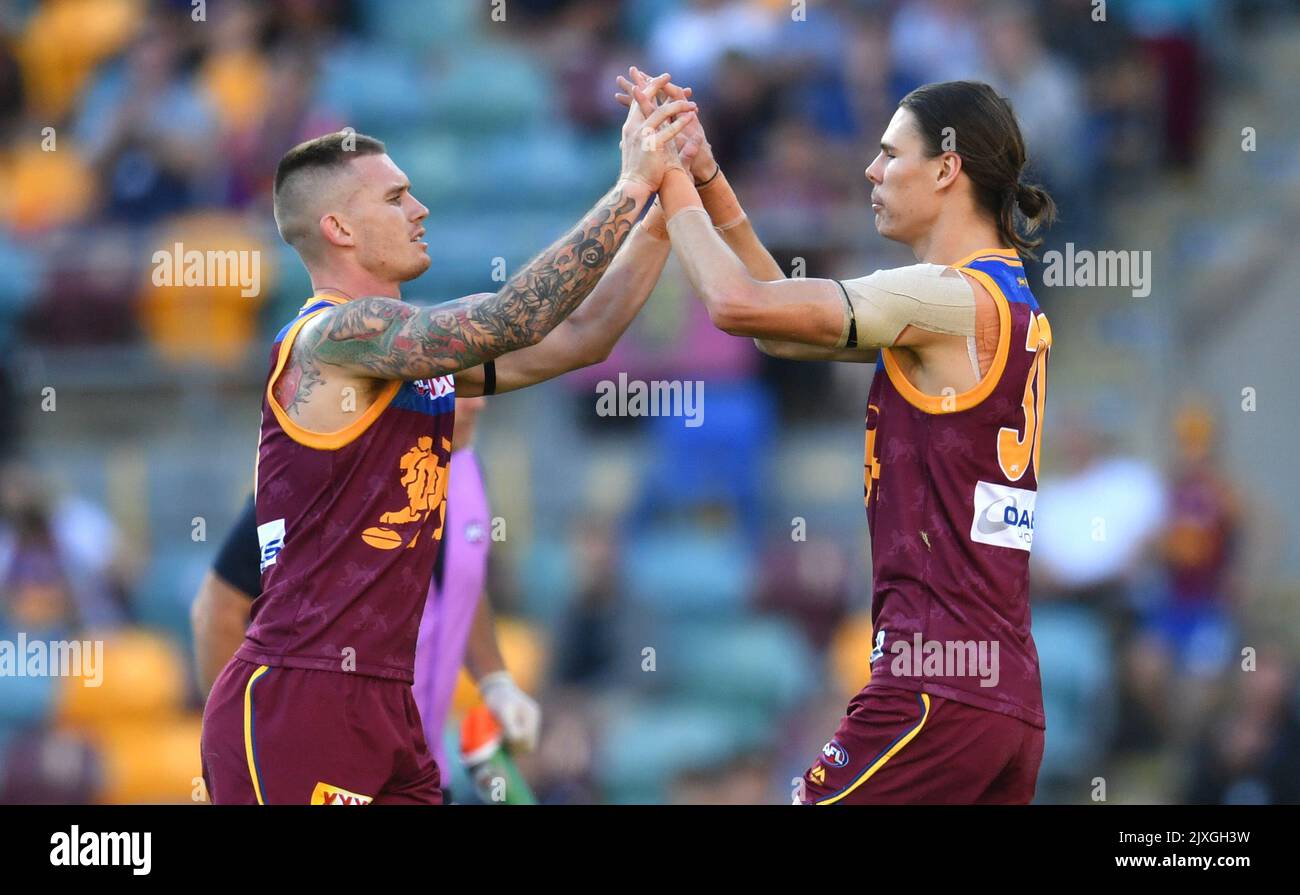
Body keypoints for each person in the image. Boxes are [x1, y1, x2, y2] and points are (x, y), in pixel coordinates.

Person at [200, 75, 697, 804]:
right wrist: (628, 186)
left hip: (389, 706)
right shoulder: (334, 336)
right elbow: (509, 319)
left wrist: (663, 198)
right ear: (338, 227)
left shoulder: (408, 351)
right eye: (397, 197)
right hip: (300, 699)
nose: (421, 208)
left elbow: (584, 337)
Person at [619, 69, 1055, 804]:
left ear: (948, 168)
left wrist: (667, 180)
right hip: (1005, 695)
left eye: (892, 153)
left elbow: (735, 302)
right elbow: (782, 330)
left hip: (933, 686)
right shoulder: (1001, 301)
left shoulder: (939, 296)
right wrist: (709, 175)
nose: (871, 169)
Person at [192, 397, 538, 802]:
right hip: (325, 766)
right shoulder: (333, 472)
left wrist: (496, 681)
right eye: (461, 386)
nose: (477, 404)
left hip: (418, 770)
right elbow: (217, 610)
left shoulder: (465, 464)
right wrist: (245, 750)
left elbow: (462, 579)